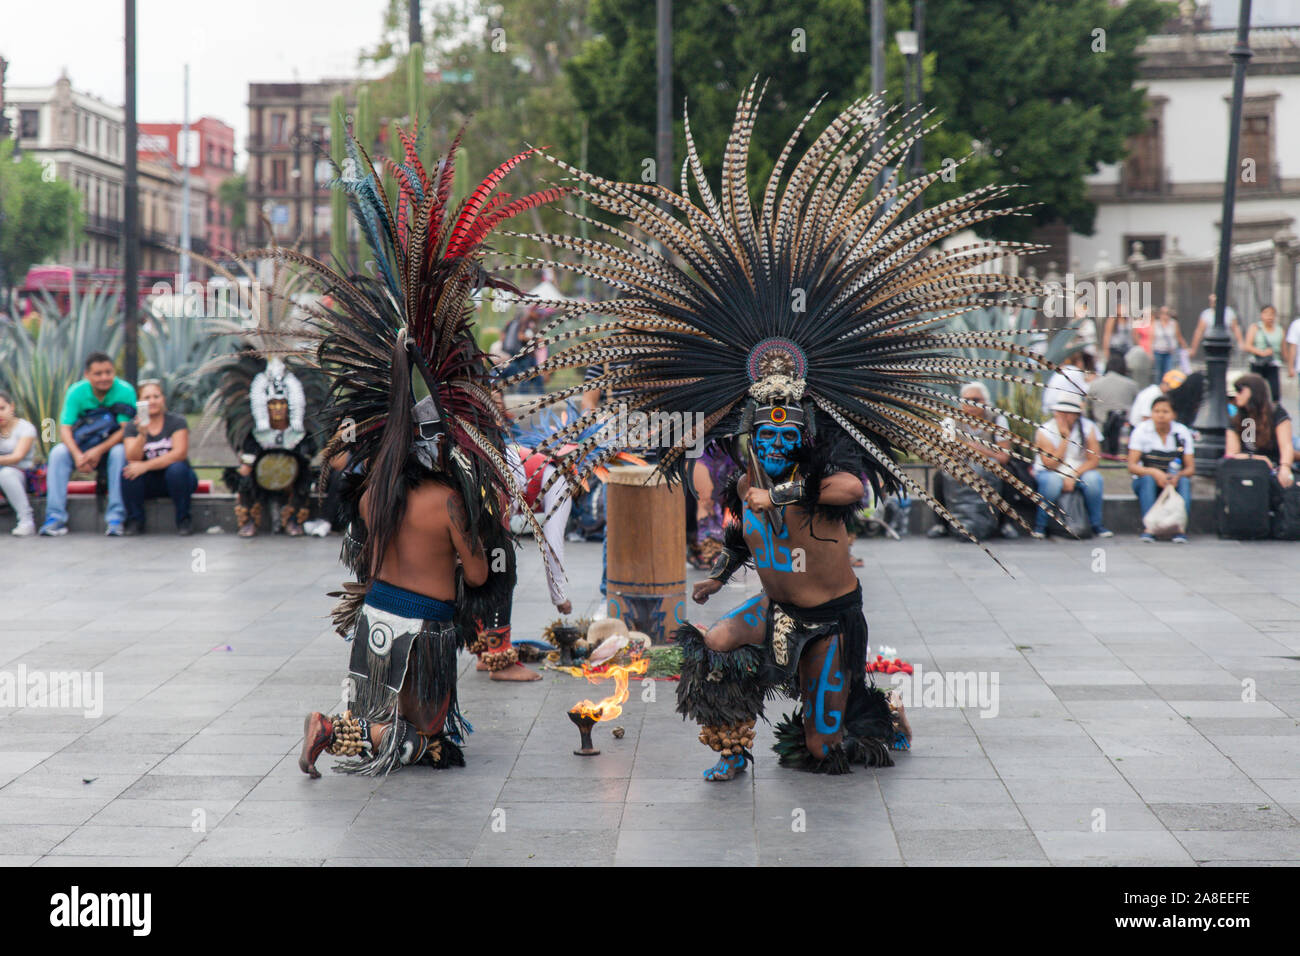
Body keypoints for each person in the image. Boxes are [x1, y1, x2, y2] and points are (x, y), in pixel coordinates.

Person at [514, 84, 1053, 779]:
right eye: (759, 430)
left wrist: (787, 491)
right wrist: (722, 574)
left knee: (825, 751)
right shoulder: (744, 475)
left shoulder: (829, 449)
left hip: (830, 618)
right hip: (772, 605)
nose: (769, 439)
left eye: (781, 429)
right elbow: (752, 533)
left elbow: (851, 489)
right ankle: (732, 749)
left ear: (800, 423)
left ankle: (877, 715)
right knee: (708, 646)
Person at [295, 121, 563, 776]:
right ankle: (390, 729)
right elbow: (475, 575)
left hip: (377, 617)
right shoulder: (445, 500)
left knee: (370, 727)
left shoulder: (374, 496)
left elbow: (361, 550)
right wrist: (483, 558)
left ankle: (335, 727)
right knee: (435, 745)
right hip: (431, 629)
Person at [40, 351, 137, 536]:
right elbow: (65, 428)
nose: (104, 378)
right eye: (98, 374)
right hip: (82, 446)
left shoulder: (125, 390)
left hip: (110, 447)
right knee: (58, 454)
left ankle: (116, 518)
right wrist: (78, 456)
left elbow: (126, 430)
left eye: (108, 372)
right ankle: (55, 518)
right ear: (87, 375)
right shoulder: (76, 391)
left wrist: (98, 451)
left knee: (120, 452)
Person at [927, 381, 1018, 540]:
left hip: (989, 466)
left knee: (1008, 475)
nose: (970, 404)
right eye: (966, 400)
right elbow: (943, 453)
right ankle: (940, 523)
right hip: (961, 464)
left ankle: (1005, 523)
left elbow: (1004, 456)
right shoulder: (951, 421)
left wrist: (981, 451)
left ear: (985, 402)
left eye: (976, 400)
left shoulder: (998, 420)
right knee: (939, 477)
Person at [120, 381, 199, 535]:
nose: (152, 401)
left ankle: (184, 520)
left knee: (177, 468)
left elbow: (179, 454)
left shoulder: (177, 421)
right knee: (128, 472)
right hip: (149, 482)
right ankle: (135, 520)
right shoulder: (132, 427)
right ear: (139, 402)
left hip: (179, 479)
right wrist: (142, 434)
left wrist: (146, 466)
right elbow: (132, 457)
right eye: (147, 397)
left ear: (163, 399)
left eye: (156, 396)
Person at [1031, 397, 1111, 539]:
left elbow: (1093, 460)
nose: (1062, 417)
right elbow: (1050, 464)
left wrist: (1073, 475)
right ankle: (1040, 526)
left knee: (1094, 480)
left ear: (1076, 415)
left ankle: (1096, 524)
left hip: (1078, 470)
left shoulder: (1088, 428)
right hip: (1050, 471)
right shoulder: (1045, 430)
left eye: (1067, 413)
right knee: (1052, 483)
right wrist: (1065, 439)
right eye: (1059, 413)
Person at [1127, 395, 1195, 543]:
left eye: (1165, 411)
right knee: (1147, 480)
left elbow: (1190, 468)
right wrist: (1154, 472)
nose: (1160, 415)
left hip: (1173, 481)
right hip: (1147, 481)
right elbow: (1131, 466)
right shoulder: (1141, 431)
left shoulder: (1182, 432)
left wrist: (1178, 476)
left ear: (1173, 414)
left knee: (1185, 482)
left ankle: (1179, 528)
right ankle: (1150, 528)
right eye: (1156, 411)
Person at [1225, 372, 1295, 499]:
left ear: (1253, 391)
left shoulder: (1276, 413)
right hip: (1246, 468)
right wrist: (1258, 459)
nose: (1237, 395)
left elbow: (1286, 445)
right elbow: (1231, 453)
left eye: (1240, 391)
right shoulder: (1237, 419)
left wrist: (1285, 467)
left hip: (1273, 467)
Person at [0, 390, 38, 537]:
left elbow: (17, 457)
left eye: (2, 408)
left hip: (21, 473)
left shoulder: (25, 428)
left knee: (6, 474)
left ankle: (26, 521)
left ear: (12, 407)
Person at [1087, 352, 1139, 456]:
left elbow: (1088, 410)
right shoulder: (1132, 385)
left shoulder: (1094, 384)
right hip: (1125, 429)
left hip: (1101, 428)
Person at [1243, 304, 1285, 411]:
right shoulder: (1255, 328)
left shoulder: (1279, 330)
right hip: (1257, 363)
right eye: (1266, 313)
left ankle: (1275, 411)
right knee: (1255, 389)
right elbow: (1247, 345)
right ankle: (1254, 409)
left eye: (1272, 314)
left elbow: (1284, 349)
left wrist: (1290, 365)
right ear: (1261, 315)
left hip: (1272, 363)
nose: (1269, 316)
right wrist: (1261, 352)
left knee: (1275, 391)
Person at [1190, 292, 1241, 357]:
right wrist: (1194, 348)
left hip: (1225, 343)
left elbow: (1236, 328)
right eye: (1211, 301)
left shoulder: (1229, 312)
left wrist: (1240, 343)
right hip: (1210, 344)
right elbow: (1199, 331)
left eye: (1214, 301)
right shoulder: (1206, 314)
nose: (1213, 303)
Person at [1151, 305, 1188, 382]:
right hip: (1158, 351)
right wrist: (1150, 353)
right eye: (1163, 313)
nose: (1165, 315)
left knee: (1169, 372)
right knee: (1158, 373)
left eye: (1167, 313)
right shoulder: (1155, 324)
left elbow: (1179, 336)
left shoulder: (1173, 323)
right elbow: (1151, 339)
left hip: (1170, 352)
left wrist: (1186, 348)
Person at [1101, 303, 1135, 370]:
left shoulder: (1129, 320)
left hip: (1127, 349)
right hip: (1115, 349)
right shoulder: (1112, 320)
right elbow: (1107, 335)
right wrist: (1106, 350)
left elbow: (1133, 335)